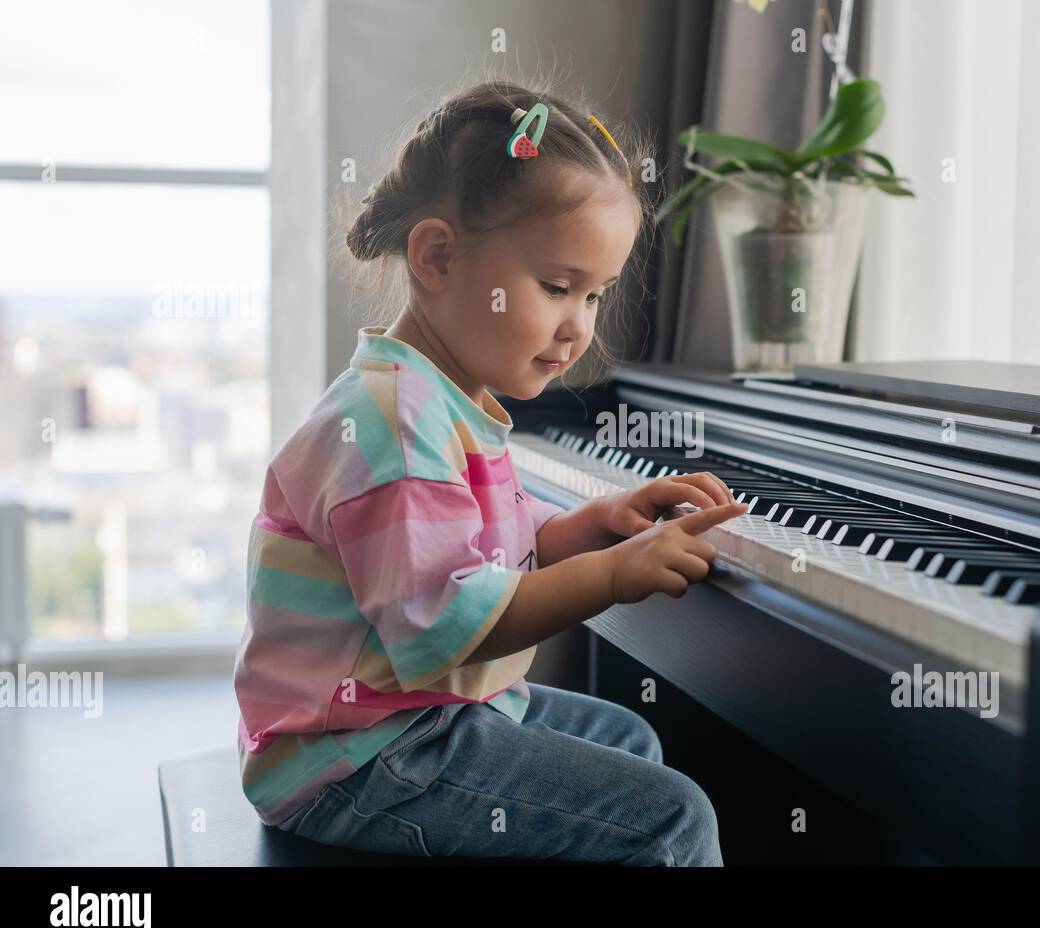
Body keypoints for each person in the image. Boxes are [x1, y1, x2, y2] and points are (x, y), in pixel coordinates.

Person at [232, 80, 747, 866]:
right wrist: (613, 574)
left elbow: (491, 540)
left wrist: (598, 522)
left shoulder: (442, 396)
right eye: (557, 287)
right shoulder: (395, 423)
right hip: (354, 758)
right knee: (672, 818)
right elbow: (442, 628)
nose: (579, 328)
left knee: (629, 738)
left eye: (596, 296)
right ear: (438, 256)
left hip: (411, 720)